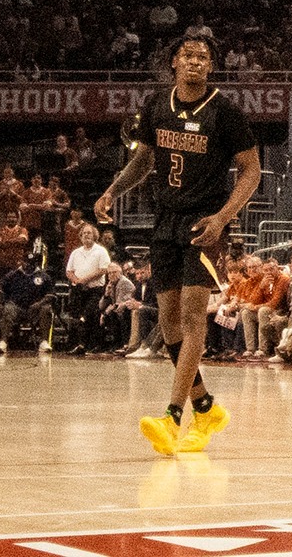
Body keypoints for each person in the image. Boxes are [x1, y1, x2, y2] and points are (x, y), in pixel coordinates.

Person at [96, 34, 260, 456]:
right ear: (173, 61)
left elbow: (251, 170)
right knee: (168, 325)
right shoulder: (156, 104)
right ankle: (205, 408)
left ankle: (172, 417)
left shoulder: (225, 112)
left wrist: (223, 218)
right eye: (188, 55)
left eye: (203, 57)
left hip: (203, 224)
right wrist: (113, 191)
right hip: (164, 222)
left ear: (211, 67)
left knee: (191, 322)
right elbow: (145, 159)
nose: (195, 62)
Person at [64, 224, 110, 355]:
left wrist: (85, 280)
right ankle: (78, 344)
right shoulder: (75, 252)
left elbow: (103, 270)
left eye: (89, 233)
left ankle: (92, 344)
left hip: (95, 289)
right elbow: (69, 271)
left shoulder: (101, 251)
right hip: (78, 290)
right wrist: (77, 281)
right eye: (84, 233)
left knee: (89, 314)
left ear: (94, 235)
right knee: (77, 317)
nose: (86, 235)